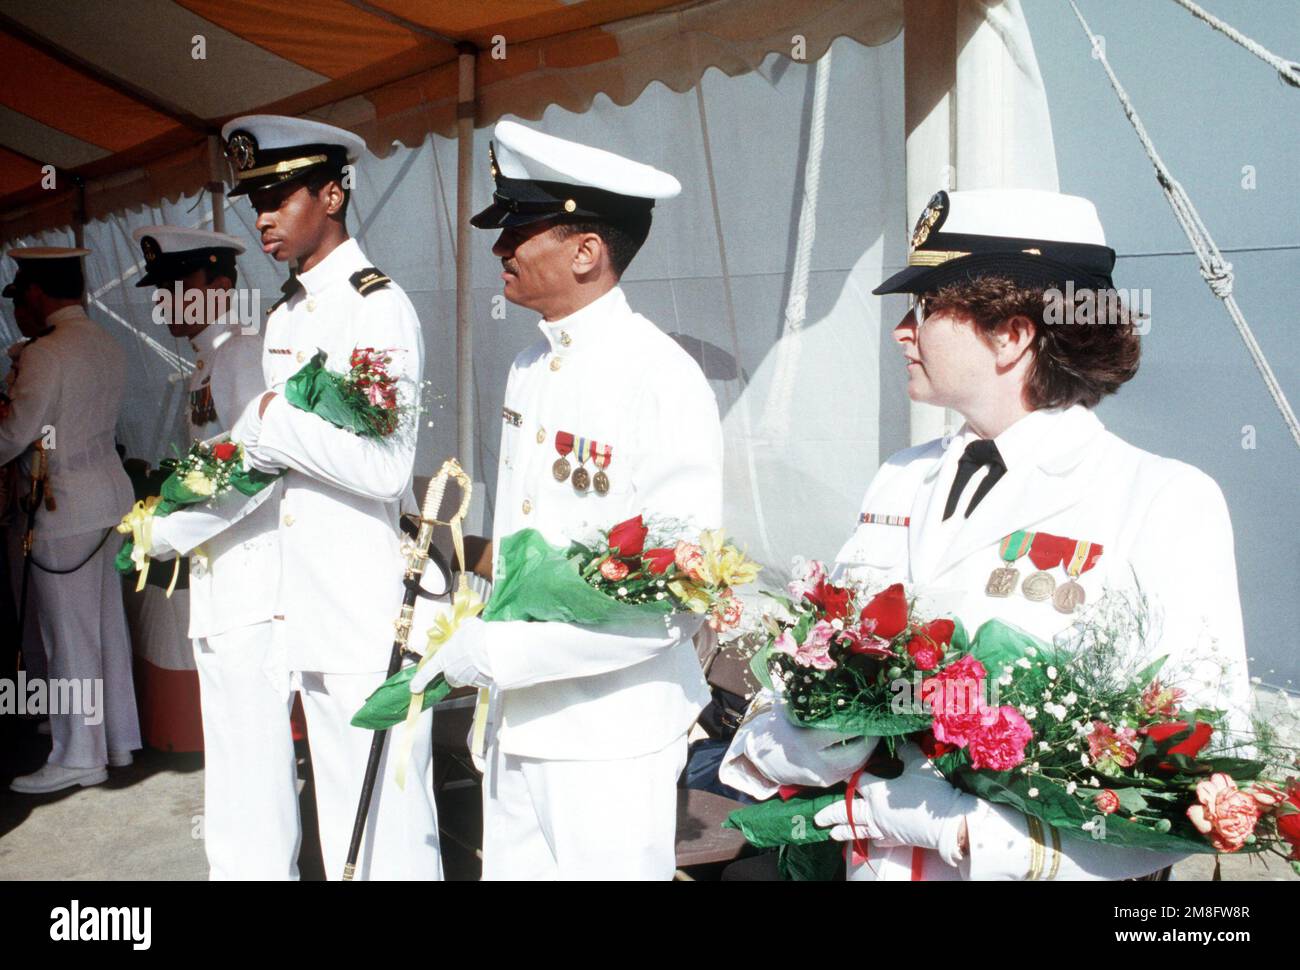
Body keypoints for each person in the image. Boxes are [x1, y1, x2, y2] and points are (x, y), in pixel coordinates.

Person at [720, 189, 1254, 880]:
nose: (901, 332)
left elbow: (1202, 777)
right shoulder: (900, 478)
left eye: (927, 308)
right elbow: (818, 662)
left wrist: (970, 833)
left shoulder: (1160, 499)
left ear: (1012, 335)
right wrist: (792, 745)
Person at [411, 121, 724, 880]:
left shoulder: (660, 376)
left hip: (607, 733)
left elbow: (672, 597)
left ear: (586, 251)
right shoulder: (529, 362)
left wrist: (493, 653)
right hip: (519, 724)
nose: (499, 249)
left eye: (519, 228)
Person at [220, 114, 439, 881]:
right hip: (304, 595)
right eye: (256, 201)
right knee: (342, 810)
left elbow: (385, 468)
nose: (263, 217)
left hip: (362, 596)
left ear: (334, 194)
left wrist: (275, 426)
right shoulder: (285, 313)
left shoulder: (375, 308)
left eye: (280, 196)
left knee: (389, 816)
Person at [131, 225, 299, 879]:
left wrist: (170, 531)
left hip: (254, 582)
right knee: (230, 752)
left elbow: (258, 471)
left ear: (218, 285)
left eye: (176, 288)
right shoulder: (212, 356)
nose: (164, 304)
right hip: (226, 580)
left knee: (252, 756)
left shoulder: (239, 354)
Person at [2, 247, 141, 794]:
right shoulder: (105, 342)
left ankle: (79, 756)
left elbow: (16, 432)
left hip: (64, 506)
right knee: (106, 630)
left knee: (68, 639)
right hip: (108, 500)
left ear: (36, 293)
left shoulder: (46, 353)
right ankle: (116, 740)